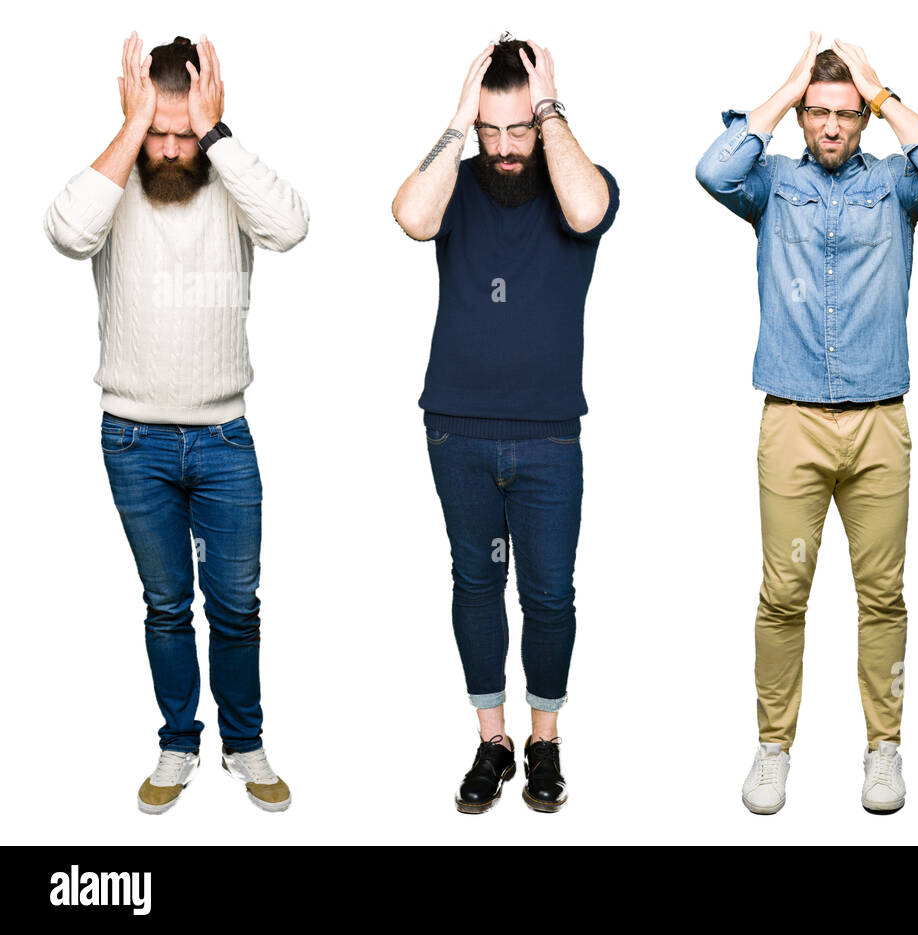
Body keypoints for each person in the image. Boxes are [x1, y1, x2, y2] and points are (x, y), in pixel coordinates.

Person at [695, 32, 918, 815]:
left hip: (880, 421)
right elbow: (712, 168)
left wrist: (881, 92)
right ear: (801, 117)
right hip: (792, 421)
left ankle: (884, 748)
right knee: (783, 594)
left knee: (882, 594)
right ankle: (772, 746)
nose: (830, 127)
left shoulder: (896, 186)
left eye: (844, 114)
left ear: (863, 120)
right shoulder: (772, 185)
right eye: (818, 112)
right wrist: (784, 90)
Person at [44, 33, 309, 813]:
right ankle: (177, 742)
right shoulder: (116, 175)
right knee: (166, 604)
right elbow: (64, 232)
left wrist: (217, 134)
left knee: (235, 604)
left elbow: (291, 227)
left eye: (181, 132)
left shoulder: (226, 173)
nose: (167, 148)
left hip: (225, 436)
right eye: (155, 130)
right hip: (132, 439)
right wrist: (129, 130)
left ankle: (246, 743)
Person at [392, 33, 618, 814]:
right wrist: (461, 115)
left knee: (550, 594)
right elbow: (411, 219)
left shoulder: (577, 182)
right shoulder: (454, 181)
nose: (504, 147)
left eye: (517, 129)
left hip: (550, 434)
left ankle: (544, 738)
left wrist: (548, 110)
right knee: (476, 582)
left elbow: (589, 209)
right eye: (492, 132)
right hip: (456, 428)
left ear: (543, 119)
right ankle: (492, 739)